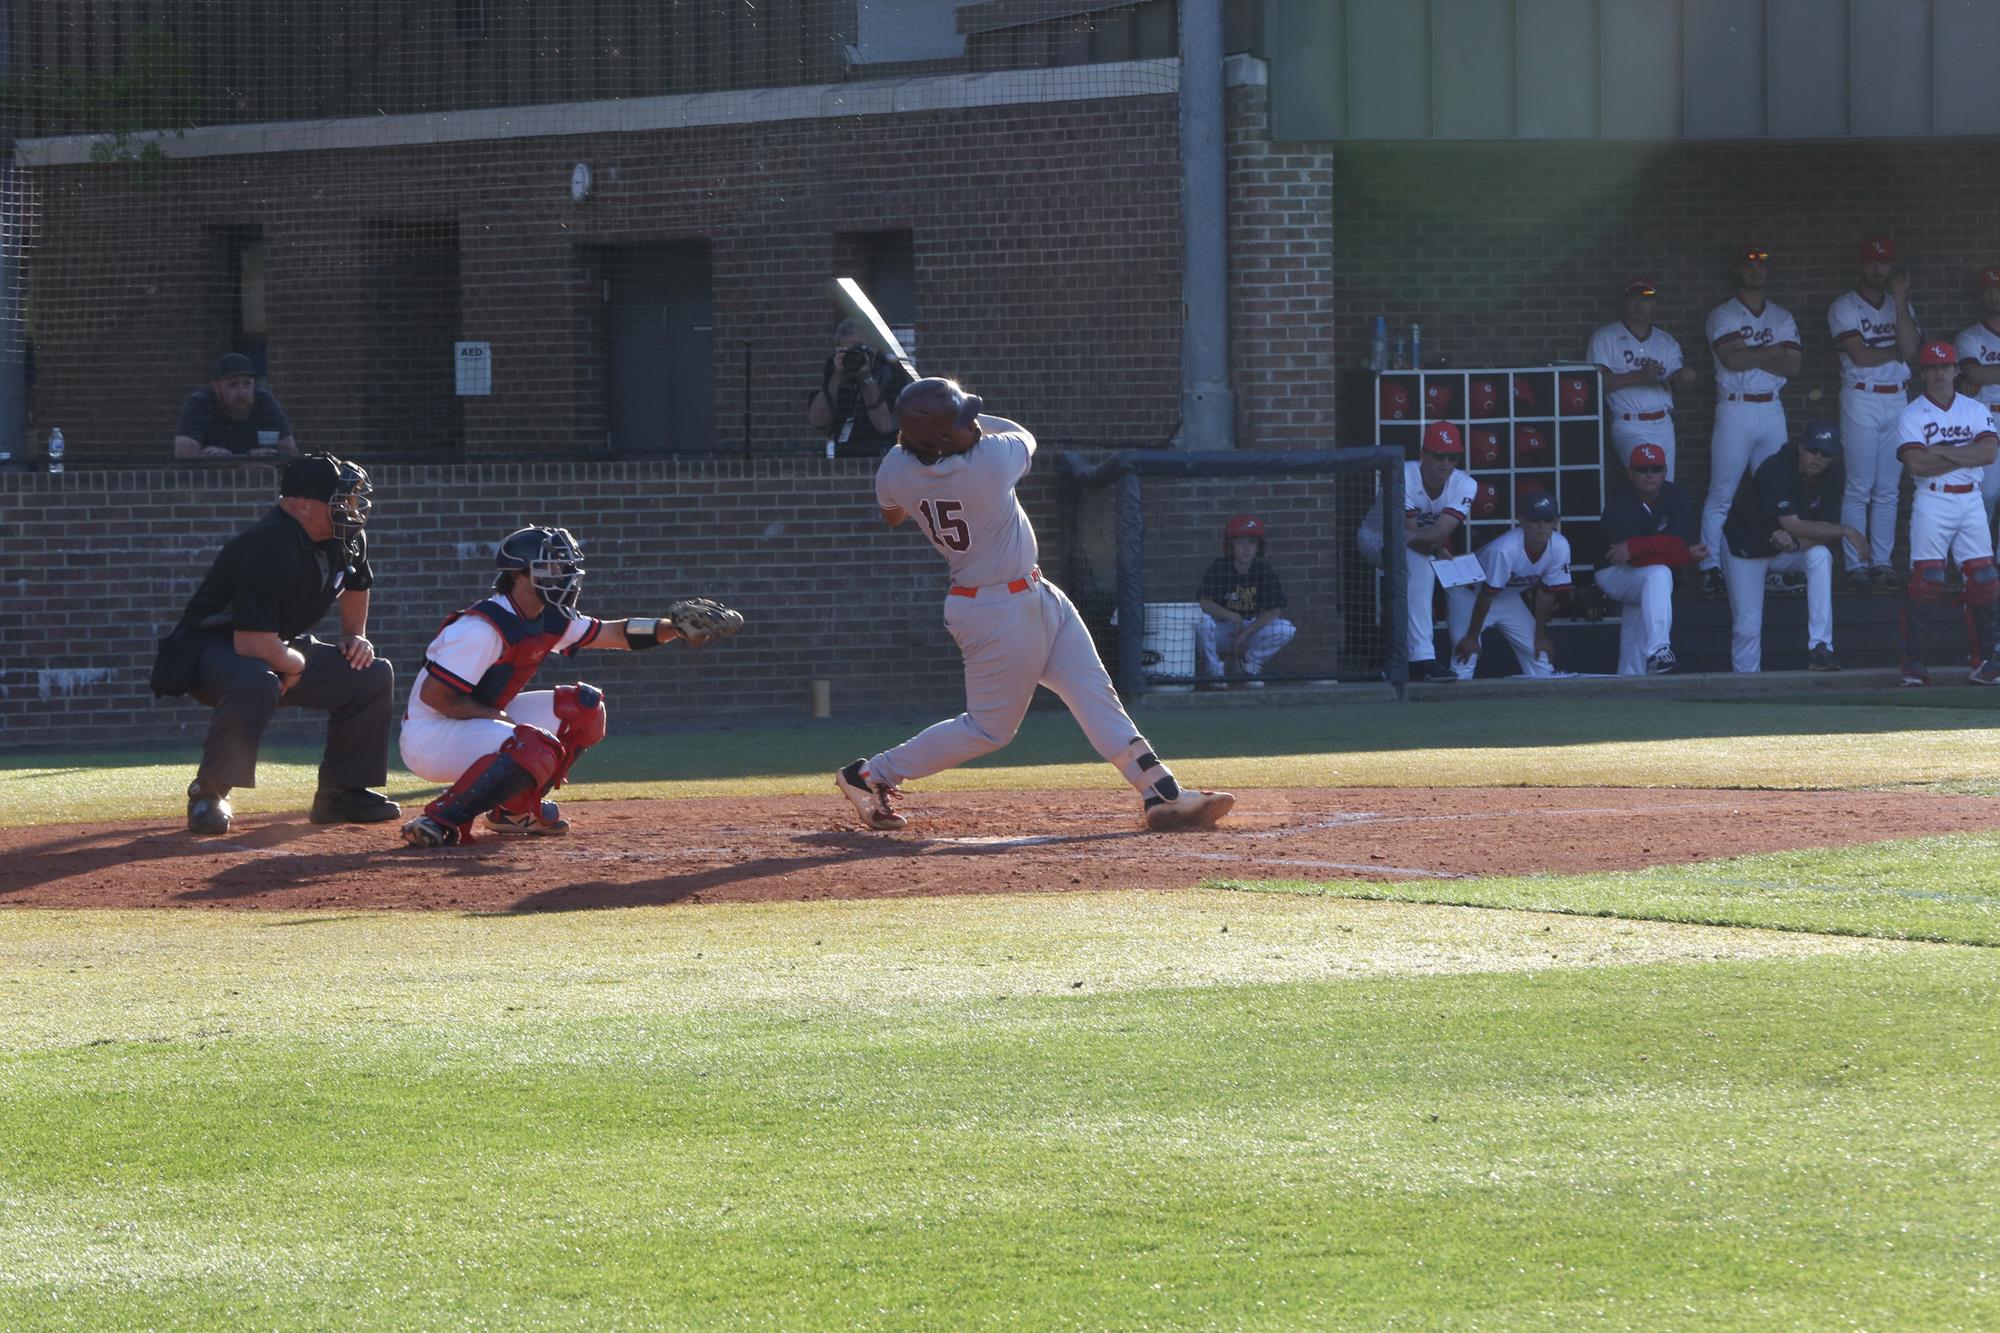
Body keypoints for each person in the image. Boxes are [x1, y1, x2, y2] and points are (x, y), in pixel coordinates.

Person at [834, 377, 1232, 833]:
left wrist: (937, 426)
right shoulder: (987, 462)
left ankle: (1160, 793)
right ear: (943, 438)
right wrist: (960, 422)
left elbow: (892, 514)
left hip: (1036, 595)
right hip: (995, 613)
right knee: (989, 729)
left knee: (1094, 694)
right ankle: (870, 775)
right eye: (962, 423)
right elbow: (1024, 435)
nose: (974, 426)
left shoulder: (894, 468)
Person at [398, 528, 743, 847]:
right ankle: (440, 819)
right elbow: (436, 697)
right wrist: (501, 720)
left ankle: (514, 813)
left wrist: (673, 628)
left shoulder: (548, 614)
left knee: (584, 707)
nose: (563, 574)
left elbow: (616, 634)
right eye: (551, 567)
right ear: (520, 574)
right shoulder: (481, 628)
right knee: (533, 744)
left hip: (473, 721)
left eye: (565, 566)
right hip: (431, 735)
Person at [148, 453, 397, 835]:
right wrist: (294, 665)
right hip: (212, 651)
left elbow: (357, 584)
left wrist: (354, 635)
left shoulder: (345, 537)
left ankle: (342, 793)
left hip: (271, 645)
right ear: (302, 506)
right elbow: (250, 642)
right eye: (340, 500)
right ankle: (208, 793)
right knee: (257, 680)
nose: (351, 508)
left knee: (371, 674)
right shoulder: (265, 545)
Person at [1894, 341, 2000, 687]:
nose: (1939, 372)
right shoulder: (1912, 414)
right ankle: (1914, 663)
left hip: (1970, 499)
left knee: (1984, 579)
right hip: (1933, 500)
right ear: (1922, 373)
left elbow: (1987, 454)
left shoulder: (1974, 408)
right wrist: (1959, 453)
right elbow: (1916, 463)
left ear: (1956, 370)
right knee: (1927, 580)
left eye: (1945, 366)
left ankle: (1986, 661)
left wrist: (1941, 450)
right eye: (1932, 367)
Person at [1701, 245, 1802, 595]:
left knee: (1775, 491)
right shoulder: (1723, 314)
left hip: (1772, 408)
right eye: (1748, 265)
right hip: (1735, 407)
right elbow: (1733, 360)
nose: (1755, 271)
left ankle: (1770, 563)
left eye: (1761, 264)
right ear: (1737, 270)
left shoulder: (1781, 316)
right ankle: (1709, 565)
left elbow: (1794, 366)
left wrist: (1754, 354)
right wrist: (1774, 350)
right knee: (1722, 491)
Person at [1721, 421, 1857, 673]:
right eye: (1813, 450)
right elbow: (1792, 523)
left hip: (1787, 549)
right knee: (1747, 626)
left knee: (1820, 556)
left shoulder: (1834, 475)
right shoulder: (1776, 467)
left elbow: (1823, 531)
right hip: (1746, 547)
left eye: (1825, 453)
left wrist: (1795, 543)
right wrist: (1846, 530)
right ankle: (1745, 685)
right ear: (1801, 448)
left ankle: (1821, 648)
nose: (1817, 458)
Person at [1829, 236, 1921, 589]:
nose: (1878, 269)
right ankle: (1856, 565)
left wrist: (1900, 301)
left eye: (1883, 263)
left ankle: (1881, 563)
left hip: (1897, 398)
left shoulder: (1901, 305)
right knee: (1859, 485)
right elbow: (1860, 356)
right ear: (1861, 264)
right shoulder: (1845, 306)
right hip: (1861, 398)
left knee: (1888, 488)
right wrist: (1895, 351)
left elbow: (1911, 350)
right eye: (1871, 262)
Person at [1356, 421, 1476, 682]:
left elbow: (1439, 532)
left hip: (1421, 544)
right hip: (1374, 538)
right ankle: (1422, 658)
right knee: (1420, 563)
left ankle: (1410, 660)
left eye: (1451, 456)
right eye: (1438, 455)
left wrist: (1434, 544)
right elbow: (1409, 535)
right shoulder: (1403, 474)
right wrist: (1433, 546)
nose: (1445, 463)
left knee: (1455, 577)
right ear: (1423, 455)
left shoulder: (1466, 485)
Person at [1593, 443, 1708, 675]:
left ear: (1665, 472)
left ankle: (1629, 679)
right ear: (1630, 473)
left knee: (1640, 616)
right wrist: (1684, 556)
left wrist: (1636, 546)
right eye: (1642, 469)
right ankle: (1658, 651)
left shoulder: (1676, 496)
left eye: (1655, 468)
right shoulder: (1619, 504)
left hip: (1641, 573)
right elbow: (1635, 561)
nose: (1649, 474)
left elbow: (1676, 541)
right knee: (1658, 574)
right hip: (1613, 572)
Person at [1448, 491, 1571, 679]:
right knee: (1466, 652)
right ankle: (1455, 704)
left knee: (1539, 652)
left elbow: (1546, 593)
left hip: (1506, 595)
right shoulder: (1504, 549)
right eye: (1535, 519)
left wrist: (1539, 636)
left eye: (1548, 519)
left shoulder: (1560, 546)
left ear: (1556, 522)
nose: (1541, 526)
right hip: (1469, 592)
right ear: (1521, 521)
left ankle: (1546, 703)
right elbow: (1487, 594)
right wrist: (1472, 637)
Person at [1587, 278, 1697, 478]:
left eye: (1645, 299)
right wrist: (1639, 377)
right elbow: (1596, 384)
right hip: (1629, 422)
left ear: (1654, 303)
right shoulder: (1605, 337)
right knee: (1646, 476)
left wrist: (1686, 378)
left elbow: (1679, 385)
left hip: (1664, 422)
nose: (1639, 305)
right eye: (1633, 299)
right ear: (1623, 301)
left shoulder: (1666, 341)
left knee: (1666, 485)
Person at [1194, 514, 1296, 688]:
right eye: (1240, 542)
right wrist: (1234, 617)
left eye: (1252, 542)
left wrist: (1247, 632)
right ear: (1230, 545)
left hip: (1249, 629)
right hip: (1222, 628)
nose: (1246, 548)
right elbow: (1204, 603)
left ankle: (1247, 665)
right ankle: (1215, 671)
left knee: (1286, 628)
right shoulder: (1220, 567)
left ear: (1258, 546)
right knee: (1201, 623)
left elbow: (1275, 610)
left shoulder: (1263, 569)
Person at [807, 318, 915, 458]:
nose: (854, 356)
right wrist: (836, 376)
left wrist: (866, 378)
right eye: (848, 352)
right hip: (842, 457)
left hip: (880, 455)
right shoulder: (834, 369)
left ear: (874, 348)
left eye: (860, 349)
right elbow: (817, 421)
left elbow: (885, 425)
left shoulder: (891, 372)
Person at [174, 352, 299, 460]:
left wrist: (251, 457)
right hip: (214, 483)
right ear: (217, 387)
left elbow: (291, 452)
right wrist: (207, 456)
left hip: (260, 482)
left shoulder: (264, 401)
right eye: (233, 385)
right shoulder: (200, 403)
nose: (242, 392)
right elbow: (182, 454)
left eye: (247, 384)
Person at [1950, 265, 2000, 532]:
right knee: (1988, 492)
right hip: (1987, 418)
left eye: (1998, 290)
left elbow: (1982, 374)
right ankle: (1979, 557)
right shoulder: (1970, 336)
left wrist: (1986, 375)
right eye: (1989, 291)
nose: (1994, 296)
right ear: (1981, 296)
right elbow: (1974, 371)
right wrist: (1979, 375)